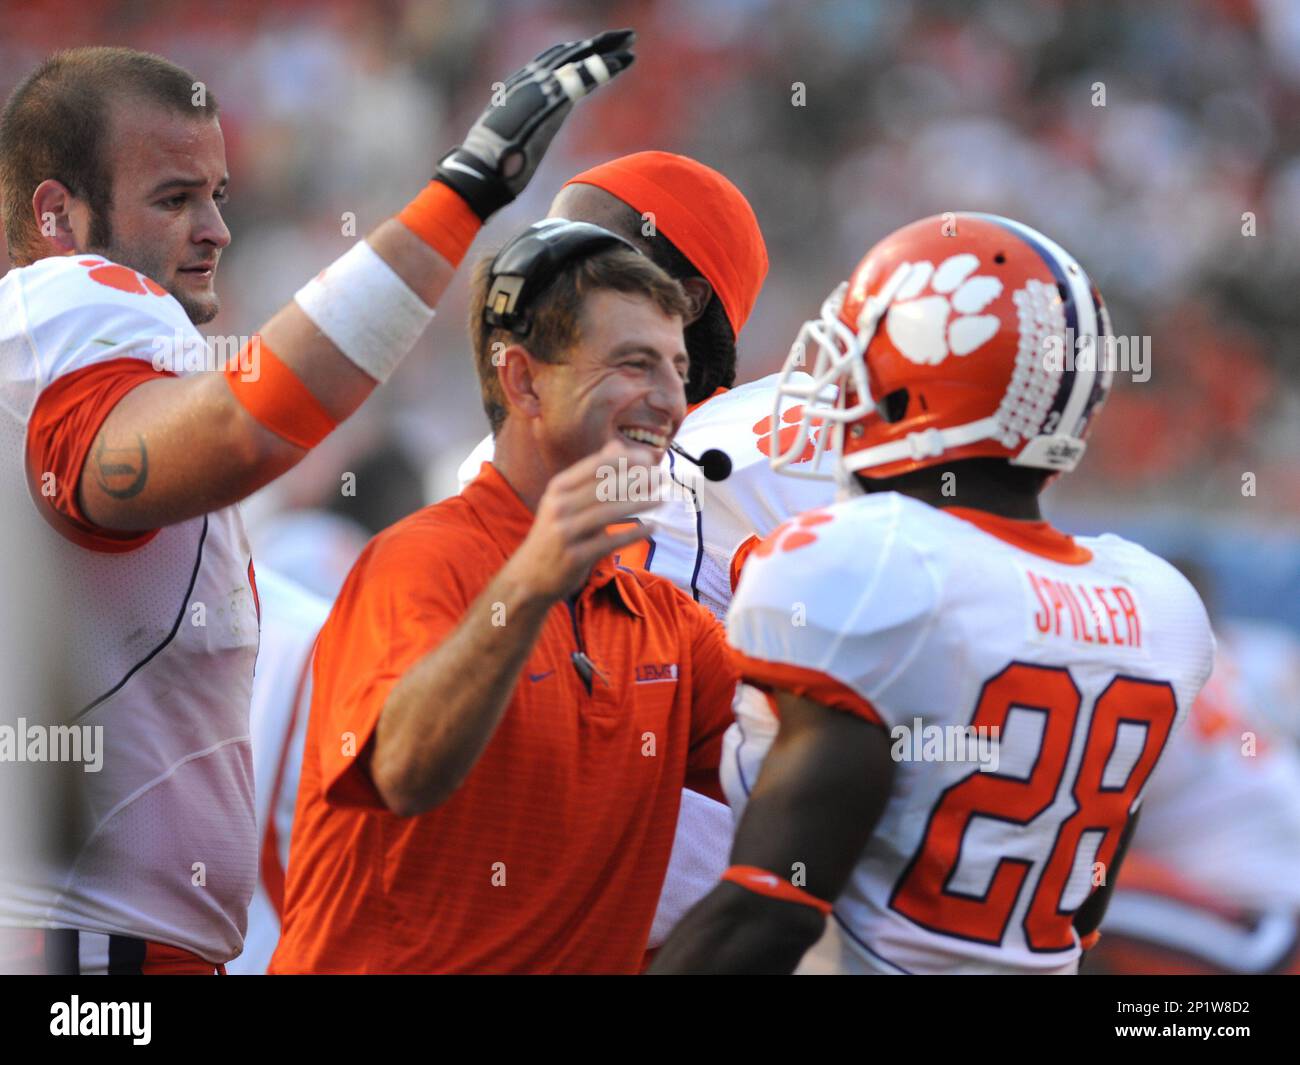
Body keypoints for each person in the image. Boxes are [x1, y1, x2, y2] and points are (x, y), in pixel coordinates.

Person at [0, 34, 633, 973]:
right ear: (58, 215)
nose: (215, 229)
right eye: (175, 199)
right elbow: (239, 432)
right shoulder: (68, 305)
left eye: (218, 195)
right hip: (87, 953)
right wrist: (461, 193)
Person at [651, 212, 1217, 974]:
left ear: (914, 389)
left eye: (858, 356)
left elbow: (769, 910)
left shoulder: (871, 568)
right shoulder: (1159, 607)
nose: (836, 385)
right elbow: (1081, 907)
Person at [270, 220, 740, 975]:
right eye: (634, 363)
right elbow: (405, 770)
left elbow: (806, 775)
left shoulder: (668, 624)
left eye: (678, 369)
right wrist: (532, 582)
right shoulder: (417, 560)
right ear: (521, 380)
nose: (671, 401)